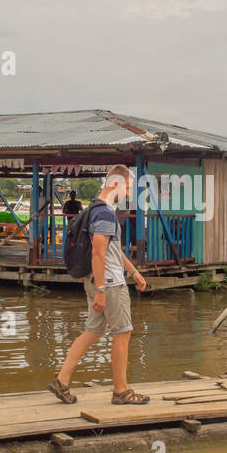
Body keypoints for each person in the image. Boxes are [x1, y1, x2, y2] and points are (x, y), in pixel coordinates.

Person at [48, 165, 150, 405]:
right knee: (122, 333)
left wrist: (133, 271)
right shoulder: (105, 213)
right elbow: (97, 253)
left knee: (93, 331)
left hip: (95, 280)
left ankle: (61, 381)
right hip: (109, 283)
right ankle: (121, 391)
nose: (127, 193)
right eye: (126, 188)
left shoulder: (95, 209)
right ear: (115, 184)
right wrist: (103, 290)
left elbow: (111, 249)